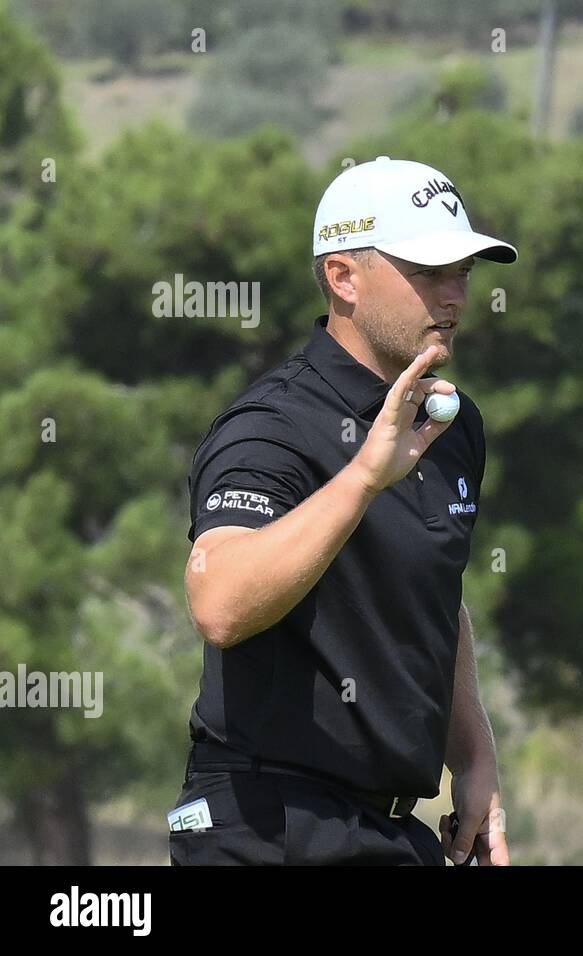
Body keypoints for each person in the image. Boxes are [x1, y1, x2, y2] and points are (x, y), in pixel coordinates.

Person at [166, 156, 515, 865]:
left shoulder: (452, 424)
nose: (454, 296)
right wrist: (363, 478)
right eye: (428, 273)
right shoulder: (270, 424)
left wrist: (474, 755)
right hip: (267, 828)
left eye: (465, 273)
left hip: (391, 831)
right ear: (343, 278)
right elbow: (220, 604)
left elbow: (435, 597)